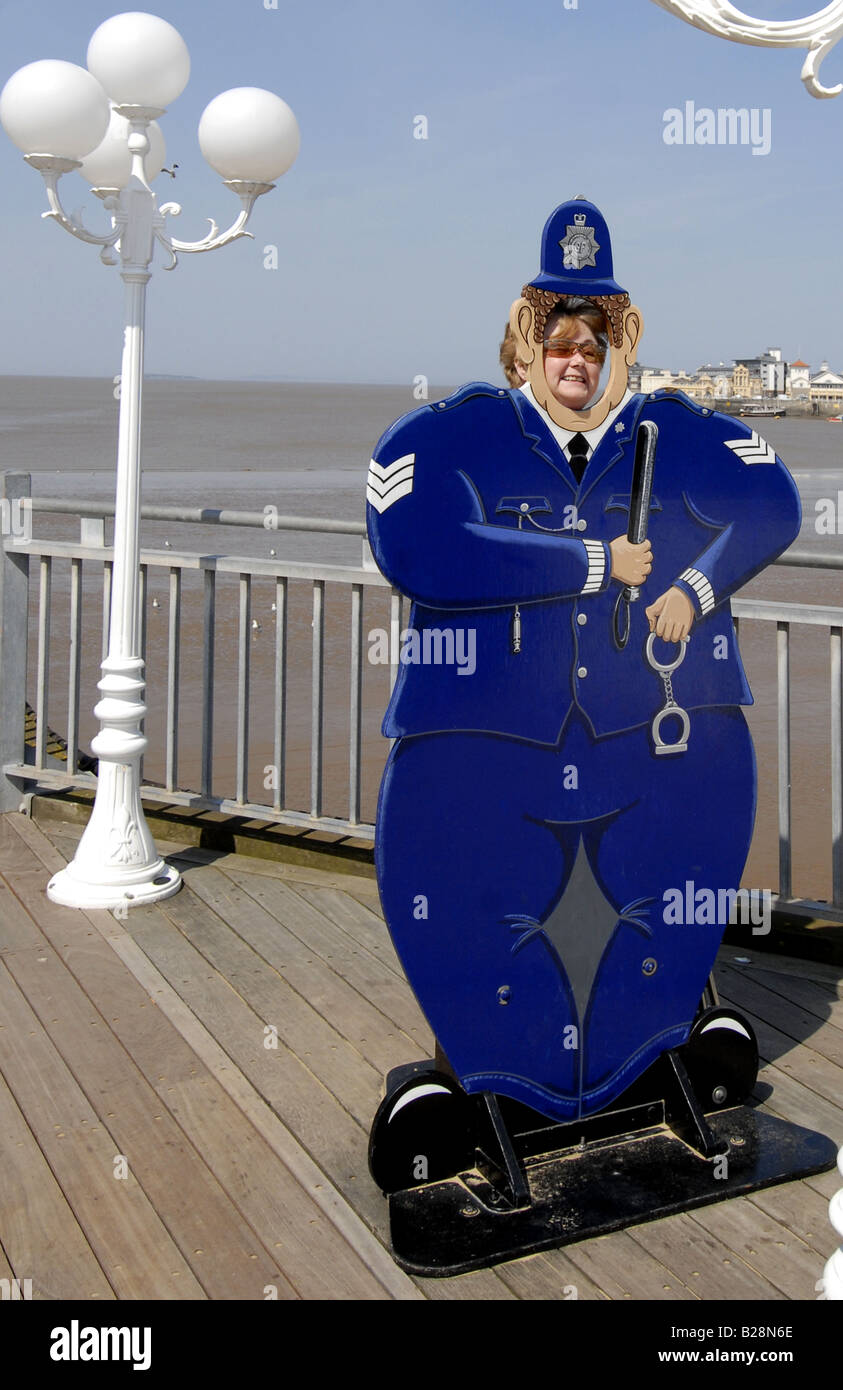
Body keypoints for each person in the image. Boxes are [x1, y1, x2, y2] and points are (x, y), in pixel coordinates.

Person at [366, 196, 801, 1122]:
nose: (577, 360)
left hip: (642, 727)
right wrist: (590, 562)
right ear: (525, 341)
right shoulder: (447, 440)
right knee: (480, 892)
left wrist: (697, 587)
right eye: (560, 342)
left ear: (617, 347)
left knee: (654, 884)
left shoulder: (668, 433)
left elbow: (772, 504)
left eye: (593, 343)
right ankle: (491, 1072)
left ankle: (646, 1046)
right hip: (489, 732)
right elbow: (418, 545)